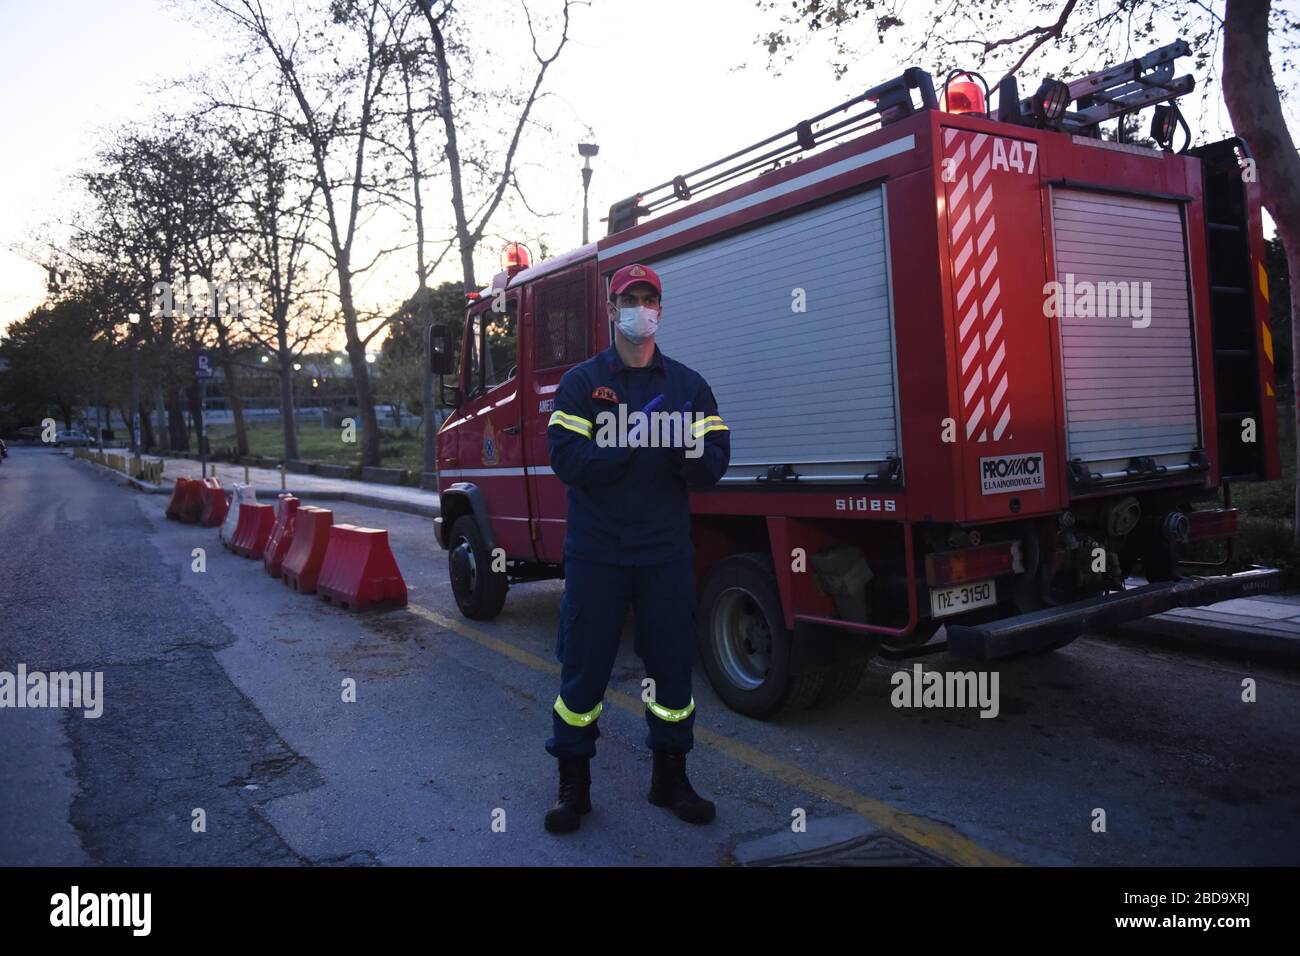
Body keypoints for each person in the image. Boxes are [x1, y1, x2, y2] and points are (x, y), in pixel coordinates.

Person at [543, 262, 730, 833]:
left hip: (664, 554)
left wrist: (685, 455)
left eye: (649, 299)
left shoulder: (689, 386)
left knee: (672, 671)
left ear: (660, 311)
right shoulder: (580, 385)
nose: (640, 309)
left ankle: (669, 776)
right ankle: (573, 785)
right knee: (582, 674)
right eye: (630, 299)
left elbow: (716, 458)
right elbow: (565, 460)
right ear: (612, 309)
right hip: (598, 554)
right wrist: (625, 444)